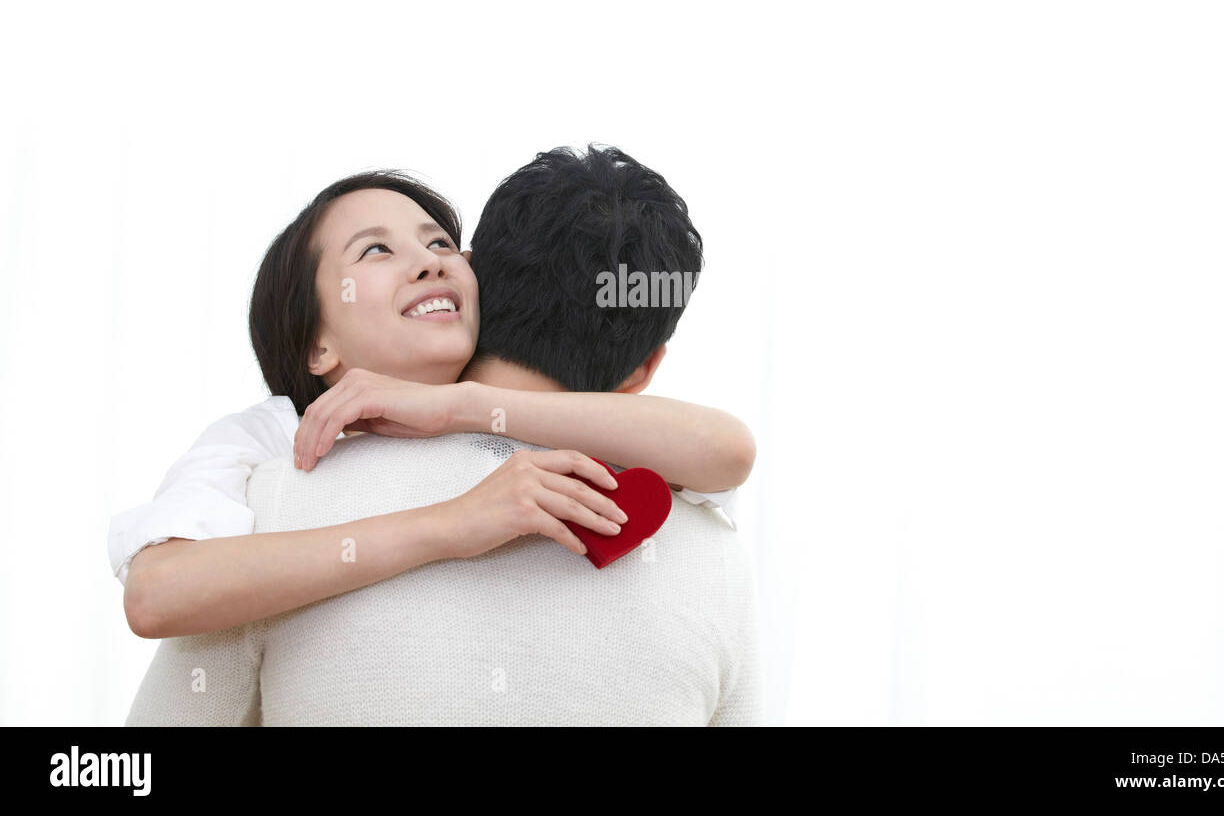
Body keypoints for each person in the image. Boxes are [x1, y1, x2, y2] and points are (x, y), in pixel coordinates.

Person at [125, 144, 762, 725]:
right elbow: (156, 593)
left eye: (440, 245)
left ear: (485, 286)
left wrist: (462, 407)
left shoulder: (276, 503)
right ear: (313, 342)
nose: (429, 265)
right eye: (376, 250)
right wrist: (449, 522)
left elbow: (730, 449)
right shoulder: (260, 470)